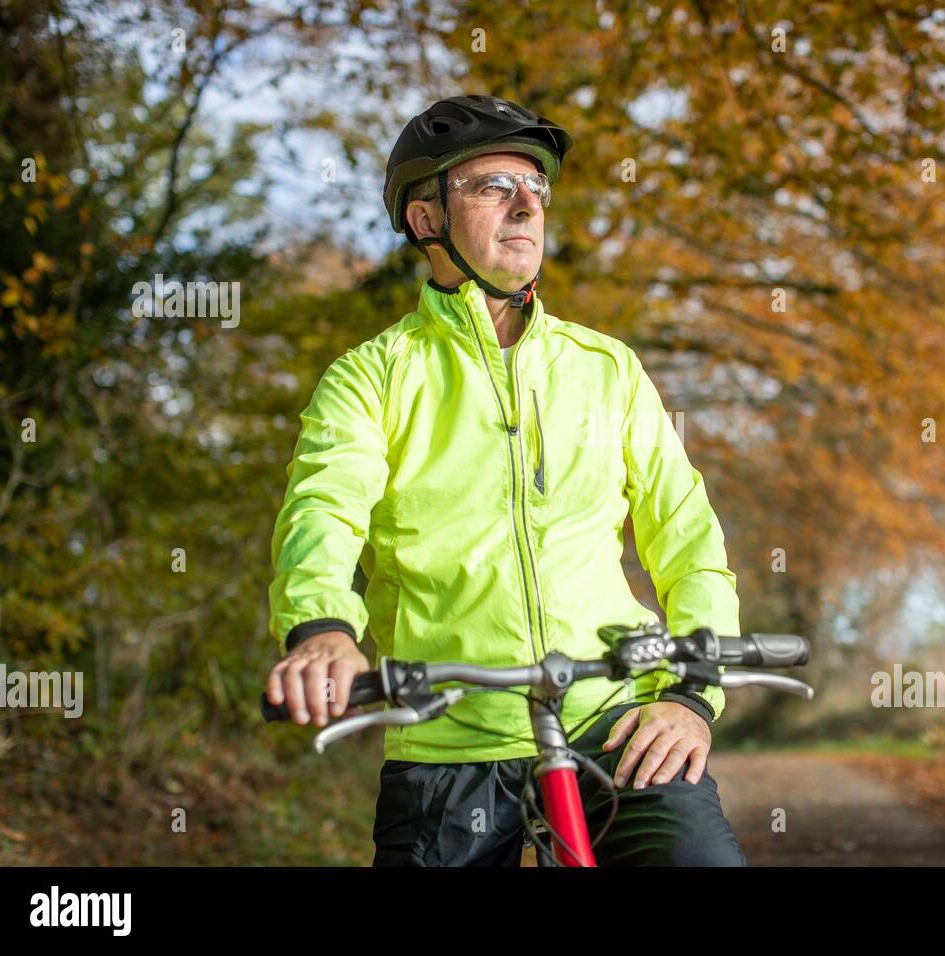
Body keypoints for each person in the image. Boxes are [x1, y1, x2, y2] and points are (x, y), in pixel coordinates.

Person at [263, 94, 746, 866]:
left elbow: (688, 539)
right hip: (449, 738)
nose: (527, 205)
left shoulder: (605, 369)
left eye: (537, 190)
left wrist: (691, 696)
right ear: (427, 221)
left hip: (613, 724)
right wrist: (322, 630)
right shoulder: (372, 378)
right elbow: (323, 509)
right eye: (493, 186)